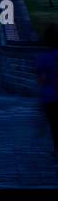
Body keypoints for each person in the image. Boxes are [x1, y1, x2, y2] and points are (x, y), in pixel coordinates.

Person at [37, 26, 58, 156]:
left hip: (50, 96)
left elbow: (42, 79)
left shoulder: (43, 58)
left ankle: (56, 148)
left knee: (54, 124)